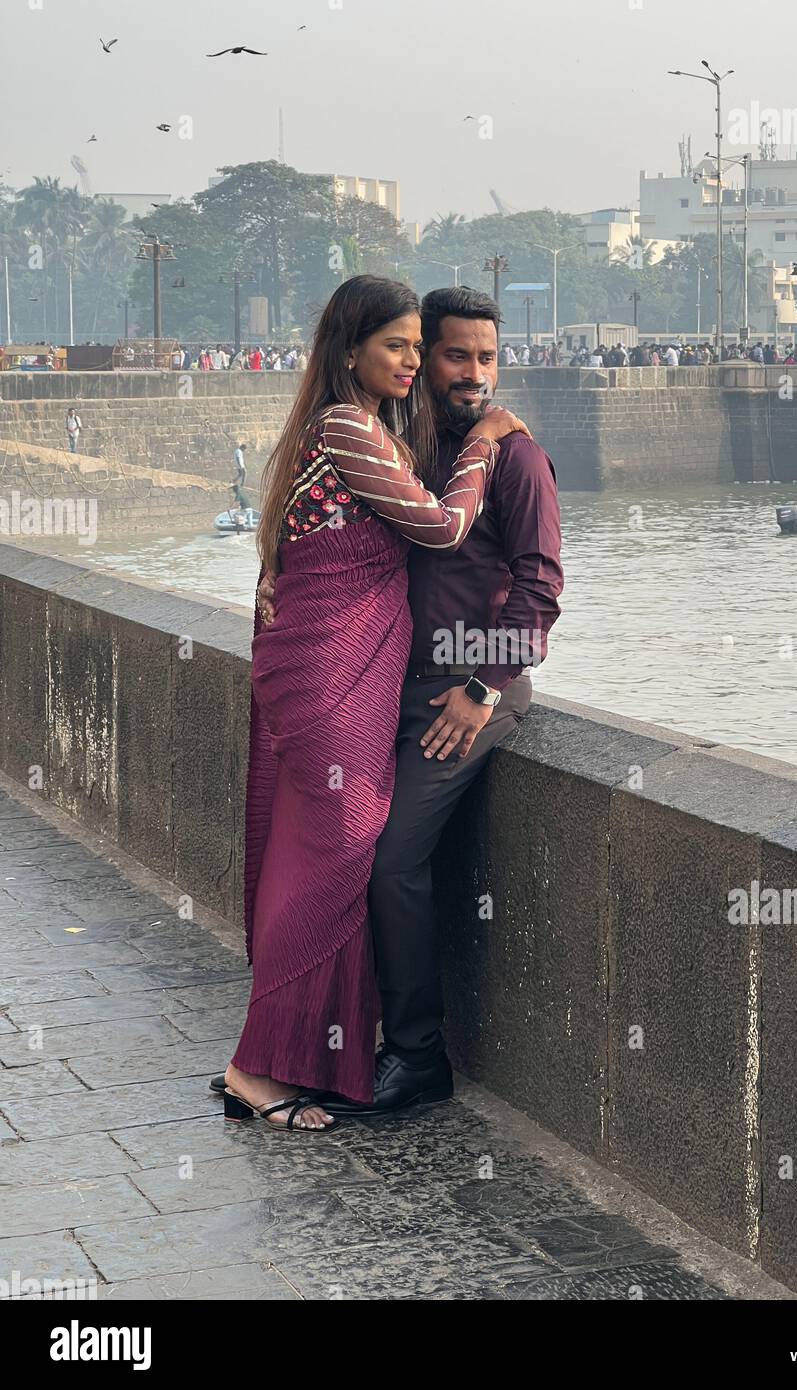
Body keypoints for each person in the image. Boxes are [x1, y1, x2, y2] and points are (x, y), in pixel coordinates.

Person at [217, 284, 563, 1117]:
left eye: (485, 357)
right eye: (445, 352)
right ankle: (304, 1051)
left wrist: (482, 689)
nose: (464, 371)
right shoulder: (395, 439)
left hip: (469, 692)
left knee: (385, 857)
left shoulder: (512, 455)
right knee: (344, 855)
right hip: (372, 687)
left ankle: (414, 1056)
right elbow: (350, 543)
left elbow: (541, 591)